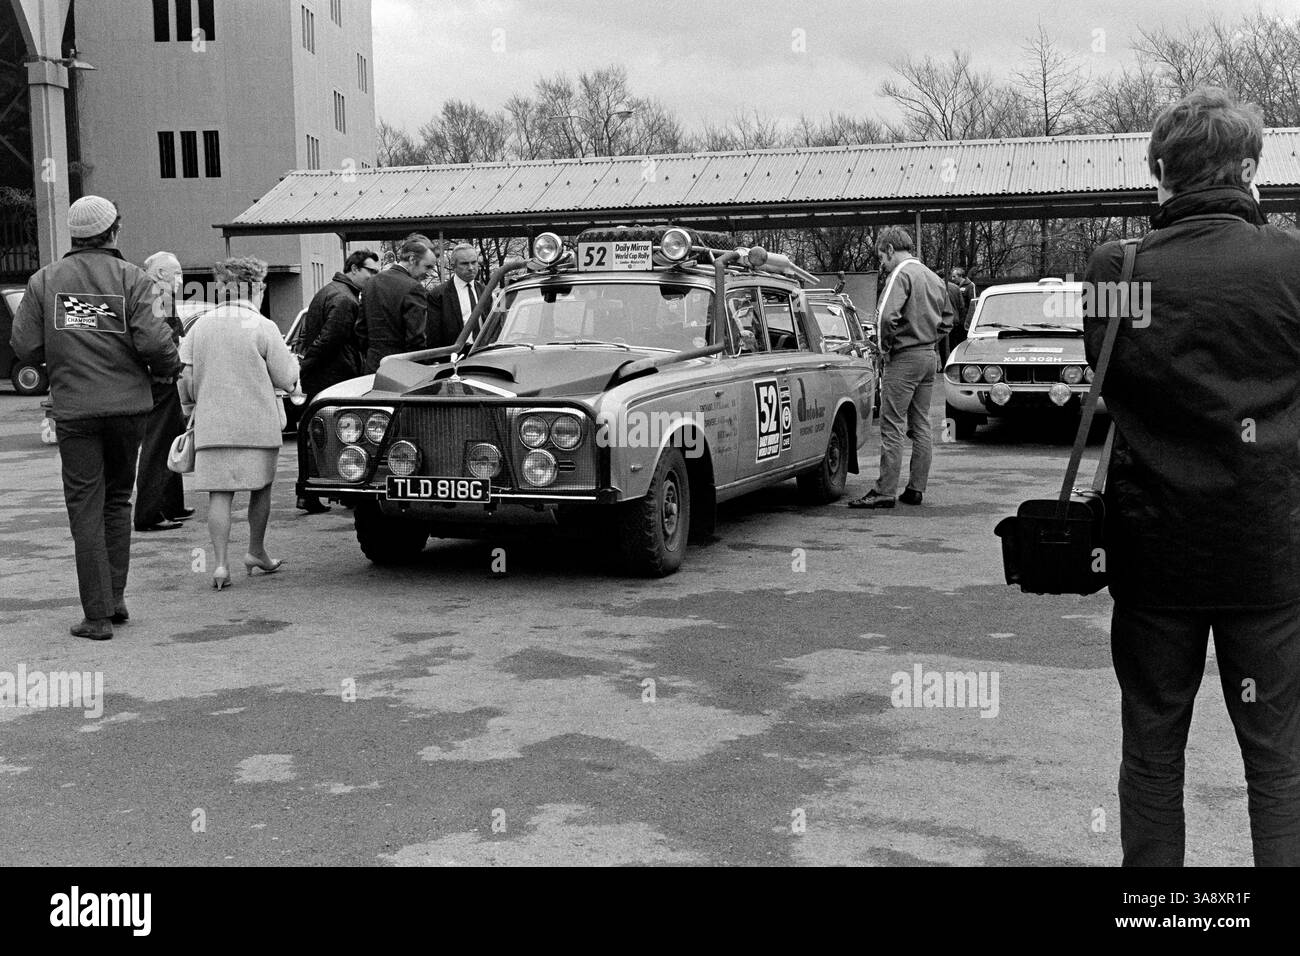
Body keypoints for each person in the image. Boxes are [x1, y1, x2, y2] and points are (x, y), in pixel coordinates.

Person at [1083, 87, 1300, 867]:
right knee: (1279, 758)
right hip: (1271, 551)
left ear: (1163, 175)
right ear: (1247, 171)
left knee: (1151, 748)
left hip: (1153, 553)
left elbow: (1115, 384)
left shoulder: (1119, 267)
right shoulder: (1293, 263)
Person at [9, 197, 180, 639]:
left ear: (73, 234)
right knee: (118, 499)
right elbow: (155, 344)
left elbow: (25, 345)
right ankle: (115, 599)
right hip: (129, 409)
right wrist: (167, 371)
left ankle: (97, 614)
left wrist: (61, 355)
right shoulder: (133, 279)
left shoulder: (44, 281)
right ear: (114, 230)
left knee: (85, 505)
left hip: (76, 410)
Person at [178, 257, 299, 590]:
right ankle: (256, 551)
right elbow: (286, 377)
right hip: (258, 424)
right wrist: (294, 371)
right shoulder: (263, 326)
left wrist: (191, 407)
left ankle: (218, 565)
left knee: (220, 493)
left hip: (212, 424)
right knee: (261, 489)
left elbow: (185, 379)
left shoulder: (200, 326)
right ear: (257, 286)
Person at [849, 227, 952, 509]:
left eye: (882, 257)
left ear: (890, 250)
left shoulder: (901, 274)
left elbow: (885, 318)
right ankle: (916, 488)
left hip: (903, 358)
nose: (882, 263)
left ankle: (884, 491)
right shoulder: (933, 277)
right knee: (920, 424)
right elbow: (948, 320)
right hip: (928, 356)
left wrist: (883, 349)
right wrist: (927, 337)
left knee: (892, 424)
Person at [296, 248, 379, 513]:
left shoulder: (329, 291)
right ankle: (325, 490)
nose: (373, 278)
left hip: (324, 374)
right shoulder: (346, 299)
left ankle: (307, 491)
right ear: (354, 269)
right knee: (337, 435)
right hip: (335, 376)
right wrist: (307, 364)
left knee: (315, 434)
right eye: (371, 272)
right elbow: (331, 339)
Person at [133, 251, 193, 532]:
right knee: (159, 444)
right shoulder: (158, 297)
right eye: (177, 273)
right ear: (160, 274)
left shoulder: (144, 294)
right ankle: (150, 512)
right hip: (161, 380)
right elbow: (160, 342)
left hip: (155, 379)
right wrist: (171, 369)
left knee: (170, 437)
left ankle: (171, 504)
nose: (181, 279)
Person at [358, 238, 436, 373]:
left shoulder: (371, 283)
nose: (429, 273)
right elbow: (416, 338)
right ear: (412, 259)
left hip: (372, 366)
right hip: (402, 369)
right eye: (427, 267)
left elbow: (360, 330)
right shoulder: (413, 288)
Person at [427, 242, 485, 349]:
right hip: (454, 356)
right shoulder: (438, 295)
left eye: (474, 262)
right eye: (465, 263)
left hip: (483, 352)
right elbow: (434, 336)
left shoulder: (485, 291)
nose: (471, 267)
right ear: (453, 266)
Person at [950, 265, 976, 342]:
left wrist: (969, 321)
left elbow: (973, 304)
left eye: (954, 277)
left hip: (965, 320)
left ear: (960, 276)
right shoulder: (955, 286)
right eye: (952, 277)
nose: (952, 279)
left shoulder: (970, 285)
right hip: (958, 319)